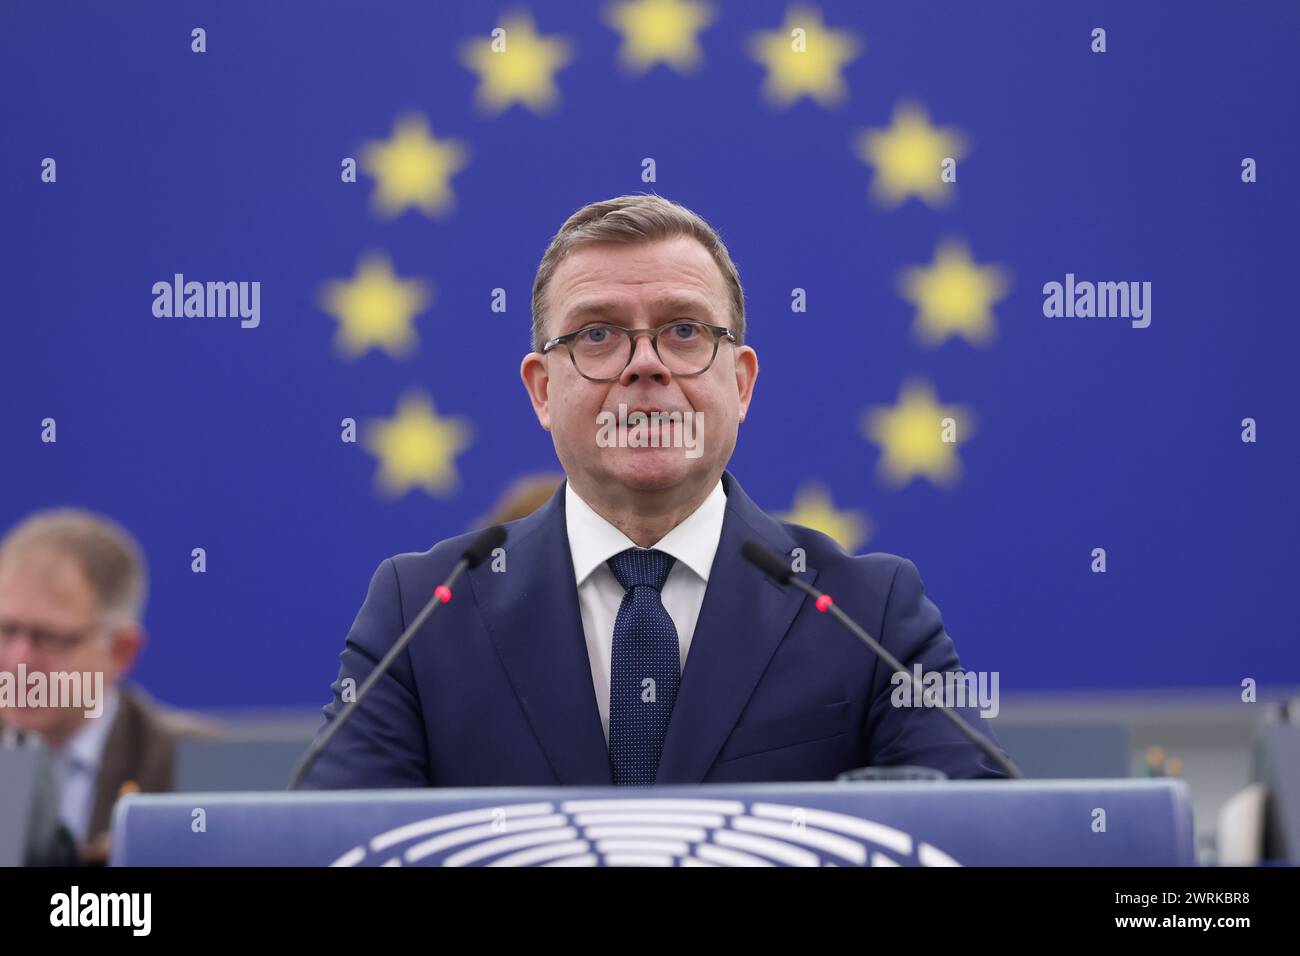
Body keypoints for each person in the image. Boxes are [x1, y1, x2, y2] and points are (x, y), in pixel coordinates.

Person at [300, 194, 1011, 789]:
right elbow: (330, 844)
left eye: (684, 330)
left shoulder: (870, 615)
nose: (645, 365)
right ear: (542, 391)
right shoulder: (421, 612)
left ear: (741, 383)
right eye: (598, 334)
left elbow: (979, 837)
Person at [0, 509, 213, 863]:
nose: (17, 662)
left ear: (120, 650)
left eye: (46, 638)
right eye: (6, 631)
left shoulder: (196, 768)